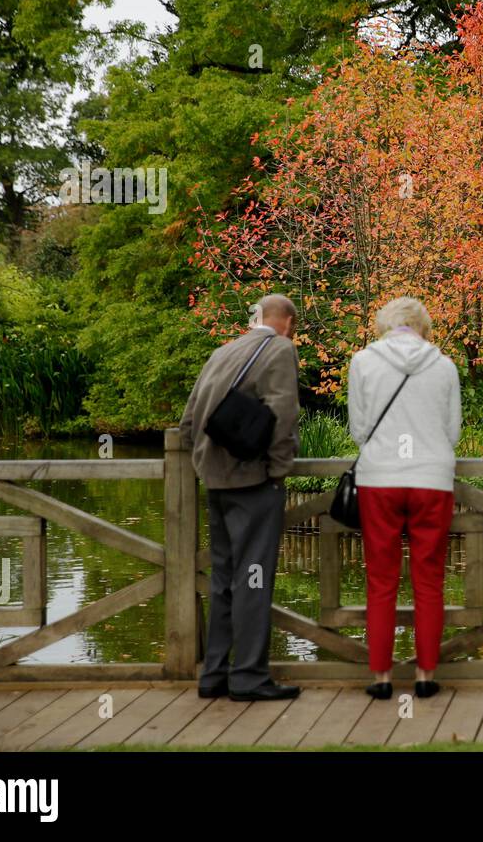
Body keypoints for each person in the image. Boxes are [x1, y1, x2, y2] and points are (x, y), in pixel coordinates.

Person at [179, 293, 302, 701]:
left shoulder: (224, 350)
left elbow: (188, 422)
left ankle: (214, 674)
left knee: (223, 579)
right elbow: (283, 414)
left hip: (214, 481)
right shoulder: (280, 348)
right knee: (254, 579)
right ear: (286, 322)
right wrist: (277, 470)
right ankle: (249, 677)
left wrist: (204, 464)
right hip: (252, 483)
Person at [348, 296, 462, 699]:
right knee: (429, 580)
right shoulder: (444, 366)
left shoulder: (363, 362)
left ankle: (381, 678)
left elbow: (359, 429)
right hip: (432, 479)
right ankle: (425, 676)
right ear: (424, 327)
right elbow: (452, 431)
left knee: (381, 579)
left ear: (385, 325)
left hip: (380, 478)